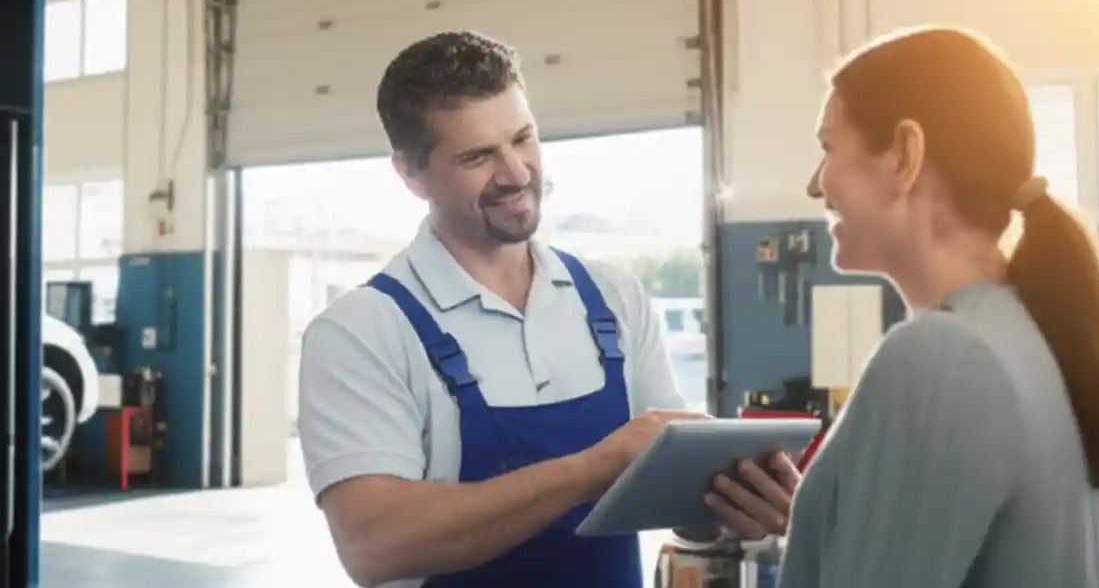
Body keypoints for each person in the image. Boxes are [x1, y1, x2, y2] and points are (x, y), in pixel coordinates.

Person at [298, 30, 795, 588]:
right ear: (411, 173)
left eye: (523, 138)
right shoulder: (362, 330)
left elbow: (681, 509)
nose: (515, 174)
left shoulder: (613, 298)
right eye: (478, 156)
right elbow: (376, 545)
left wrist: (730, 505)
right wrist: (595, 467)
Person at [760, 26, 1099, 587]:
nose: (814, 185)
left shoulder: (940, 357)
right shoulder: (1027, 330)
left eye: (828, 148)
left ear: (904, 154)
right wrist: (817, 516)